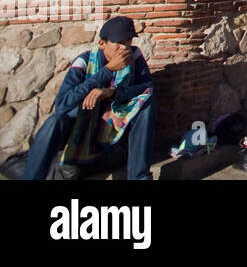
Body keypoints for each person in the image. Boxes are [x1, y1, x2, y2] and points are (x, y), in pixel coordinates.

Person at [21, 16, 155, 180]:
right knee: (55, 120)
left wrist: (111, 92)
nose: (124, 47)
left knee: (146, 102)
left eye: (128, 41)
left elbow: (148, 88)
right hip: (80, 143)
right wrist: (107, 70)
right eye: (118, 42)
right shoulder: (83, 61)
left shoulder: (134, 56)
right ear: (102, 44)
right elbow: (62, 104)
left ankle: (139, 177)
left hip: (114, 141)